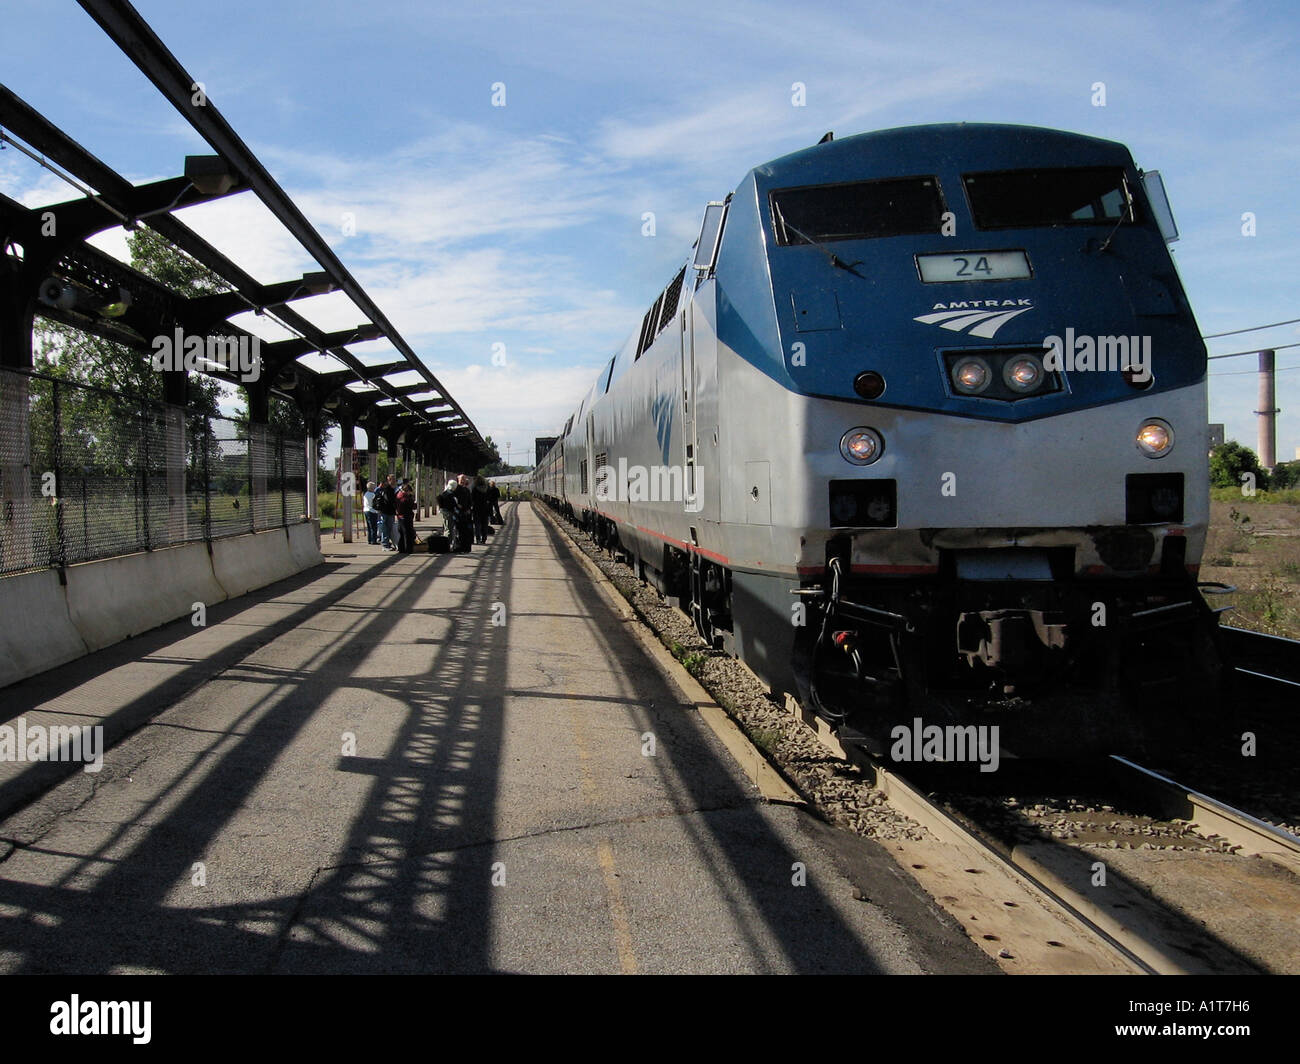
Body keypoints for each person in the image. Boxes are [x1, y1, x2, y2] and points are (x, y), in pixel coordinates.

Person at [373, 474, 398, 550]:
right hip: (386, 511)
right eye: (393, 479)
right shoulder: (387, 489)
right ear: (389, 480)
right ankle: (385, 545)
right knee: (385, 528)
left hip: (389, 511)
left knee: (389, 528)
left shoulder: (390, 488)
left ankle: (387, 543)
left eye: (394, 479)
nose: (394, 481)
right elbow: (389, 500)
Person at [471, 475, 492, 544]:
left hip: (476, 508)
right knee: (484, 524)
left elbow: (472, 499)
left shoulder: (474, 489)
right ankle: (484, 538)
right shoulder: (487, 488)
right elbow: (489, 498)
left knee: (477, 525)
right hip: (485, 508)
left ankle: (478, 539)